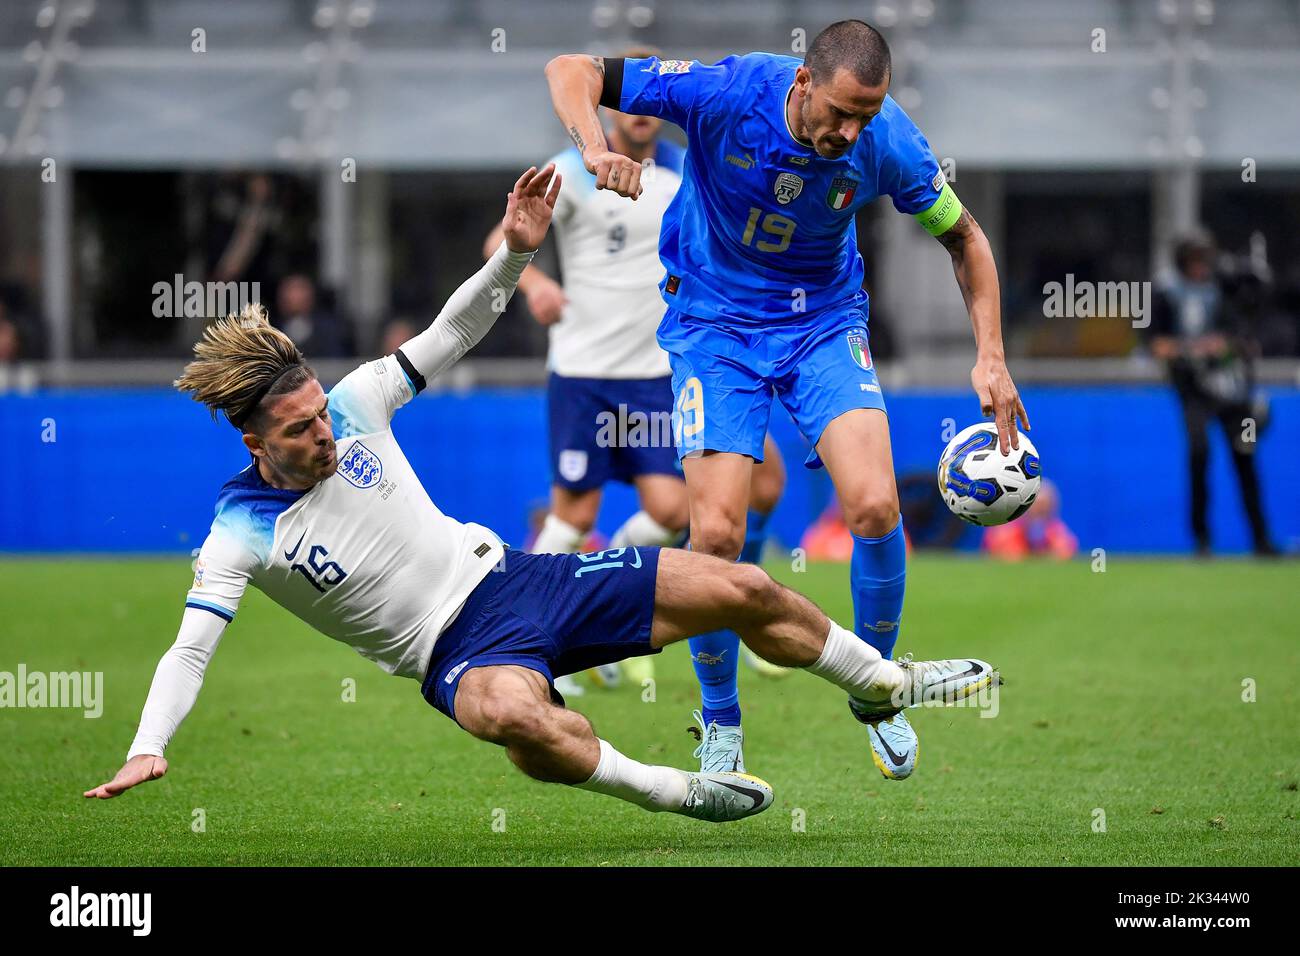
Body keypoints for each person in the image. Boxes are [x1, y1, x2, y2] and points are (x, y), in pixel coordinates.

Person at [83, 165, 997, 822]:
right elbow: (189, 653)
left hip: (518, 581)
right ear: (255, 444)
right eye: (300, 431)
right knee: (514, 723)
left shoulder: (359, 403)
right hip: (447, 656)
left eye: (320, 413)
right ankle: (682, 794)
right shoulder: (237, 533)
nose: (323, 432)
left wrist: (516, 258)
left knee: (739, 586)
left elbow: (453, 329)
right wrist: (147, 743)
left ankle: (885, 682)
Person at [545, 19, 1027, 779]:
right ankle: (720, 722)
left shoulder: (887, 141)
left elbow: (964, 238)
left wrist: (992, 358)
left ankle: (875, 692)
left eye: (864, 116)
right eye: (839, 112)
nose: (848, 131)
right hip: (713, 327)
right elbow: (570, 65)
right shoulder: (726, 91)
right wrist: (593, 148)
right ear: (803, 84)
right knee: (717, 538)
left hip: (824, 325)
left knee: (873, 507)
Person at [485, 48, 791, 745]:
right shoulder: (570, 171)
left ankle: (603, 599)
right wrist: (533, 283)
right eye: (629, 102)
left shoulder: (685, 170)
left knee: (673, 508)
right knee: (574, 511)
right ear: (610, 106)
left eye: (651, 106)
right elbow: (498, 239)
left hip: (656, 372)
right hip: (584, 371)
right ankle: (527, 635)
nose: (641, 115)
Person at [1150, 232, 1277, 557]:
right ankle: (1202, 541)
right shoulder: (1166, 292)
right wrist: (1194, 349)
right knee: (1199, 453)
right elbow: (1157, 345)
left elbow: (1247, 328)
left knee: (1245, 456)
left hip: (1232, 389)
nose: (1200, 267)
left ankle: (1261, 540)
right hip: (1193, 389)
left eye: (1204, 259)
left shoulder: (1223, 286)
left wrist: (1229, 346)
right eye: (1194, 260)